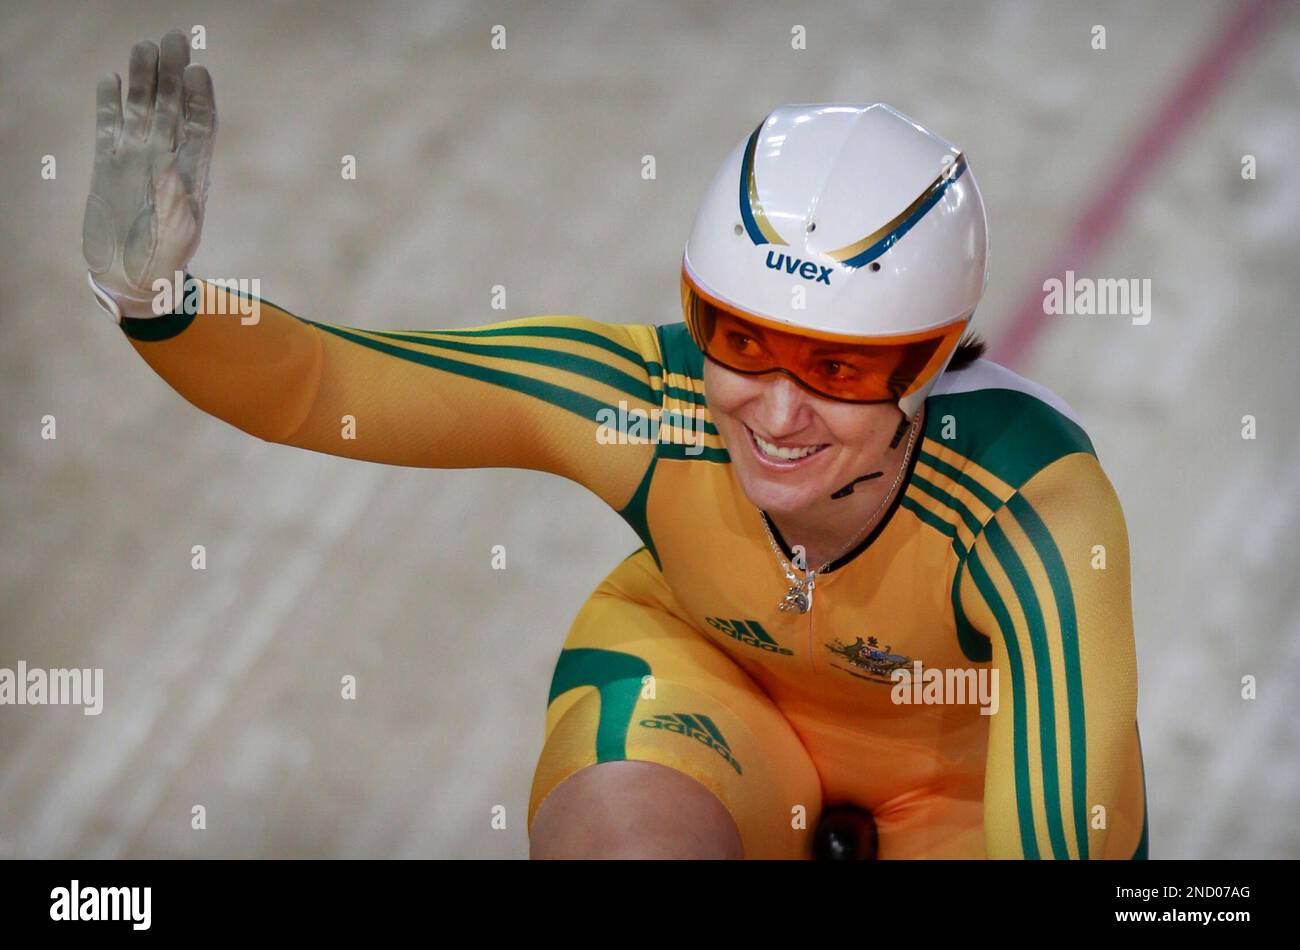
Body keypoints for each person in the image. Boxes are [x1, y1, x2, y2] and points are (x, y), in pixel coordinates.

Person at [83, 32, 1149, 860]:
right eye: (740, 342)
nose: (777, 416)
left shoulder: (1031, 514)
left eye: (838, 369)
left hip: (966, 791)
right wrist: (155, 300)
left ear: (927, 361)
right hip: (714, 699)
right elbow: (333, 383)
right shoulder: (650, 401)